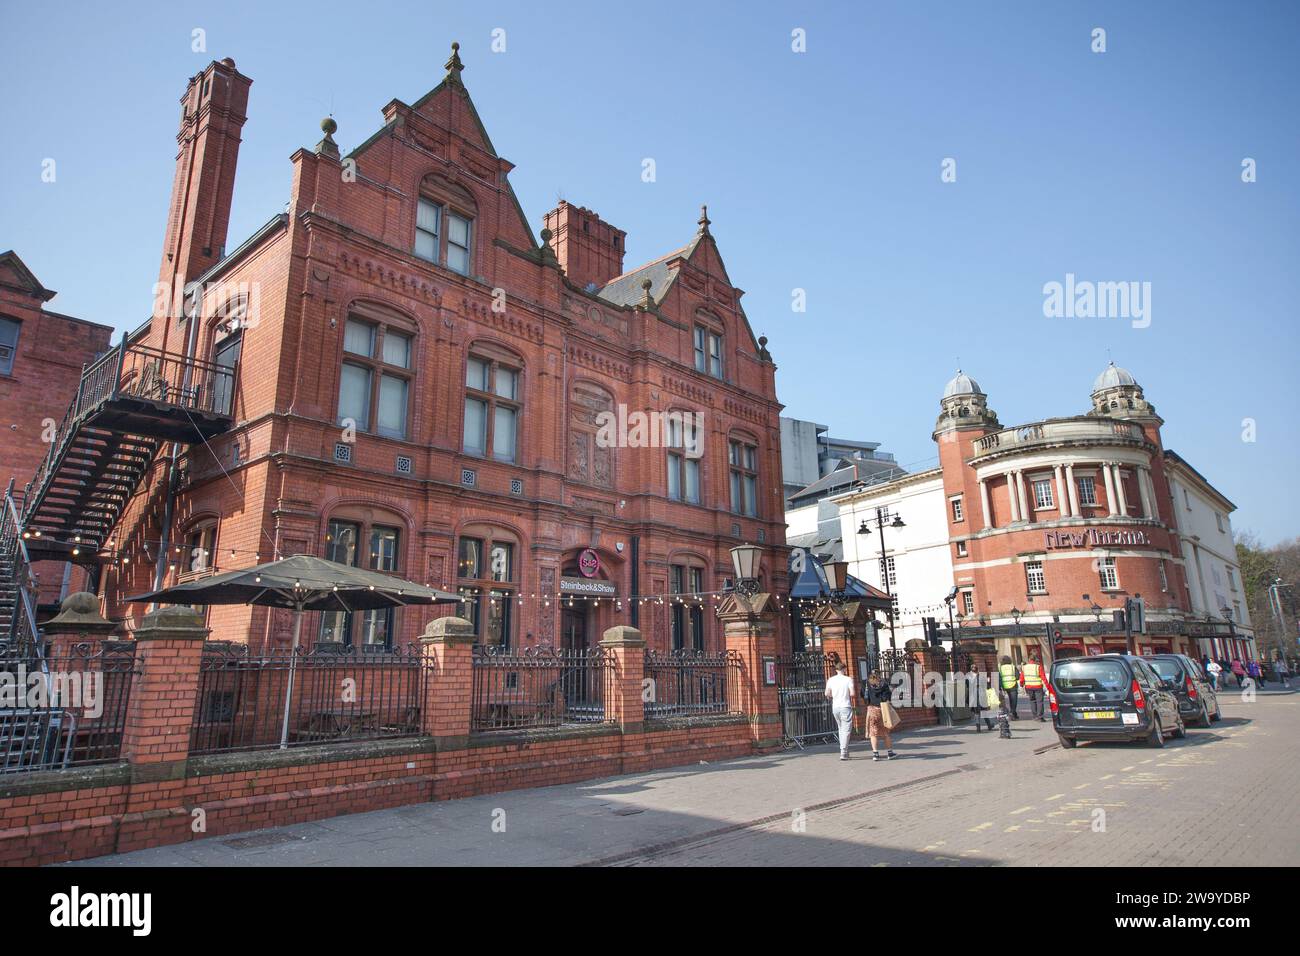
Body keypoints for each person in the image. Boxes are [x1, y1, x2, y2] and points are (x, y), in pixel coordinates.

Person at [824, 662, 856, 760]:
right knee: (846, 730)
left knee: (841, 728)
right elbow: (852, 693)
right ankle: (844, 752)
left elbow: (827, 693)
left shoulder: (831, 680)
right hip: (845, 706)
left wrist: (833, 696)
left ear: (836, 670)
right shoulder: (848, 679)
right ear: (844, 669)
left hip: (835, 707)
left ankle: (844, 750)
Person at [862, 670, 896, 761]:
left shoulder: (866, 683)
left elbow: (863, 695)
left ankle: (875, 754)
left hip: (872, 709)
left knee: (873, 733)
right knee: (885, 732)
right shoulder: (884, 685)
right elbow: (886, 697)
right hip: (882, 710)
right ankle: (890, 753)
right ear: (879, 676)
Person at [1021, 652, 1047, 721]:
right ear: (1035, 660)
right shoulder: (1038, 666)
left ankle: (1035, 716)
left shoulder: (1024, 667)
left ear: (1029, 659)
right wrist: (1048, 686)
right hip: (1037, 686)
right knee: (1039, 701)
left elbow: (1022, 677)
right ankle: (1040, 716)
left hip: (1029, 687)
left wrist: (1021, 684)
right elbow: (1043, 677)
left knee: (1032, 701)